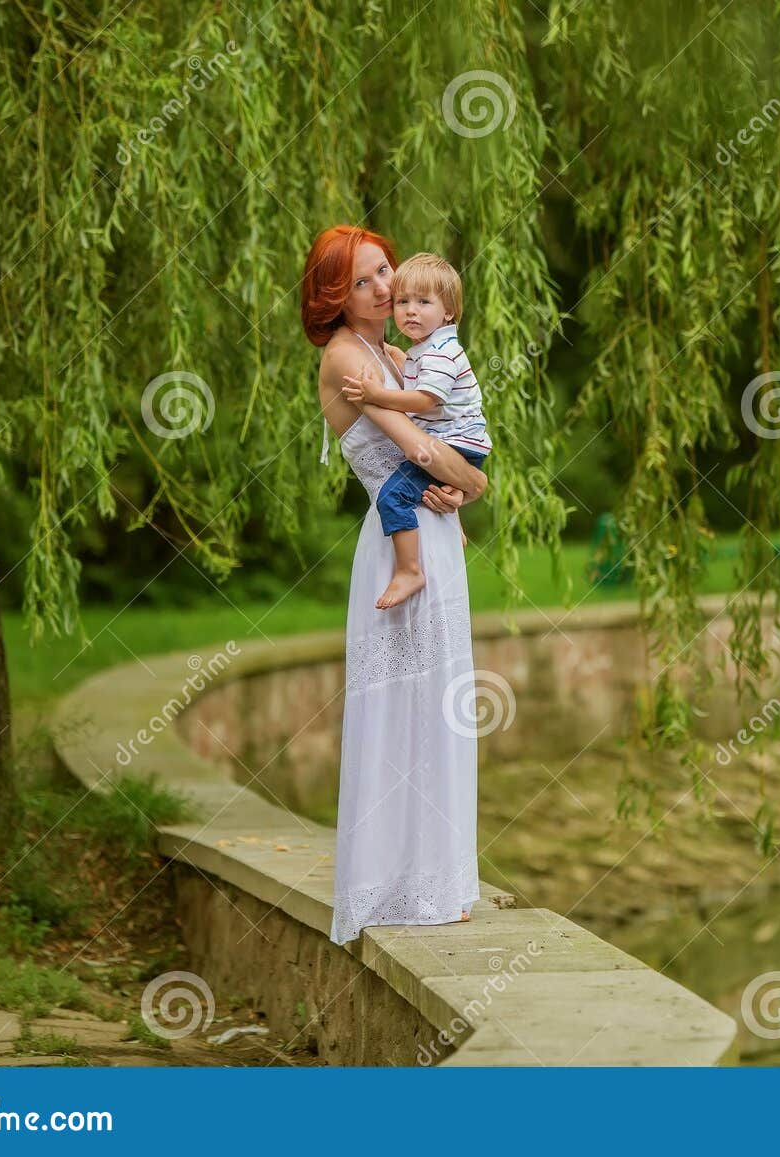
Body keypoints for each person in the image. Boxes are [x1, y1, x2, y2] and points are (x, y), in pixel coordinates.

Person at [302, 224, 484, 939]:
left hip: (430, 536)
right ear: (335, 296)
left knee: (436, 703)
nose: (385, 290)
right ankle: (393, 883)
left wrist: (460, 491)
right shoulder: (347, 354)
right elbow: (420, 448)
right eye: (367, 280)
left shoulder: (392, 352)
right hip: (396, 544)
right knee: (401, 704)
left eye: (386, 274)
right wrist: (473, 480)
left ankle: (435, 878)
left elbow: (442, 439)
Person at [342, 252, 491, 609]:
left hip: (455, 444)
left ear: (449, 311)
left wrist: (377, 394)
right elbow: (416, 376)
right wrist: (396, 357)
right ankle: (450, 527)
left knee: (393, 496)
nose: (410, 310)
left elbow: (424, 401)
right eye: (404, 301)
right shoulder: (426, 349)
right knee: (421, 487)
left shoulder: (441, 353)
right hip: (454, 443)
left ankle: (410, 570)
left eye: (423, 302)